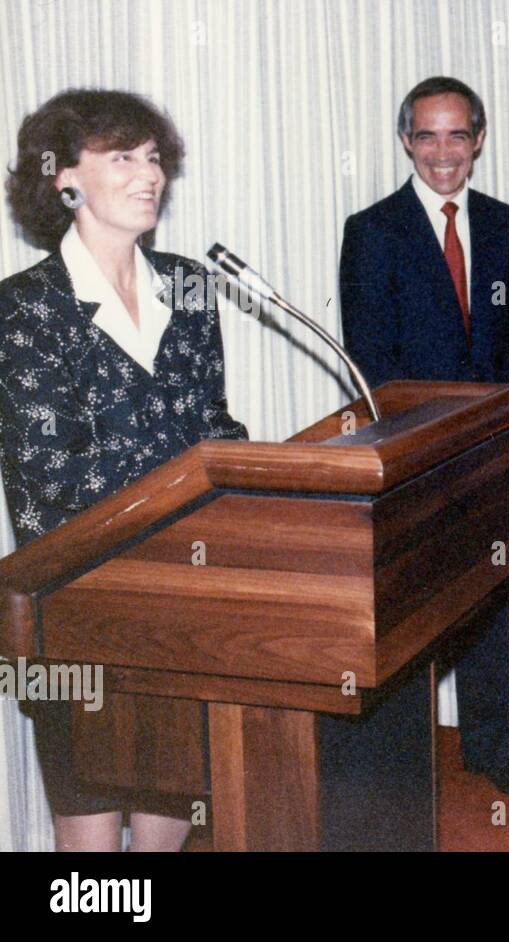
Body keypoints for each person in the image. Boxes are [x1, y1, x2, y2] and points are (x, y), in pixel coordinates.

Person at [0, 89, 247, 850]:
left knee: (173, 823)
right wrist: (191, 487)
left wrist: (248, 479)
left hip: (190, 600)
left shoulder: (190, 286)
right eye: (122, 159)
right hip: (80, 603)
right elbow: (52, 479)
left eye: (153, 159)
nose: (149, 176)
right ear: (64, 180)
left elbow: (213, 423)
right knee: (92, 851)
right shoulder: (23, 309)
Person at [338, 77, 509, 800]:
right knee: (412, 613)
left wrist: (490, 423)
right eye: (427, 135)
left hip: (492, 456)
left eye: (458, 134)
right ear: (405, 141)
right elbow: (372, 360)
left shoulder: (504, 223)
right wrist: (433, 437)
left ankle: (491, 746)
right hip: (415, 463)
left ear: (479, 140)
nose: (442, 151)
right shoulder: (373, 230)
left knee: (487, 600)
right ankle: (404, 766)